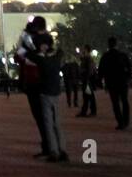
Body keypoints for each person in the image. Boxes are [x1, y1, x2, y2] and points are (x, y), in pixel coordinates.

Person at [16, 17, 52, 157]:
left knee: (42, 116)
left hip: (34, 82)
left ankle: (50, 147)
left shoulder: (31, 43)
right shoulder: (48, 40)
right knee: (48, 116)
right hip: (47, 82)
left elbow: (19, 56)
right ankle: (52, 146)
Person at [33, 34, 69, 162]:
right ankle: (63, 150)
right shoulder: (57, 58)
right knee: (57, 123)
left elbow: (26, 54)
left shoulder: (42, 61)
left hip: (45, 93)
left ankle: (54, 151)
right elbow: (60, 51)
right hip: (56, 92)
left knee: (48, 124)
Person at [99, 36, 132, 129]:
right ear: (116, 44)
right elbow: (129, 68)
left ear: (108, 45)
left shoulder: (105, 56)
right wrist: (128, 78)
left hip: (111, 83)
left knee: (115, 103)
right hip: (122, 82)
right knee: (125, 101)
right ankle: (126, 121)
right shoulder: (122, 55)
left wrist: (102, 82)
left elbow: (101, 71)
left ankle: (120, 122)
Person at [77, 46, 98, 117]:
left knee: (89, 96)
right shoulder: (86, 58)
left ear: (86, 50)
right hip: (86, 80)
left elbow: (90, 70)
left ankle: (92, 111)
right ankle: (85, 111)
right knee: (86, 96)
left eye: (84, 49)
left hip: (87, 80)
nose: (82, 50)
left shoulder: (88, 58)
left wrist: (85, 74)